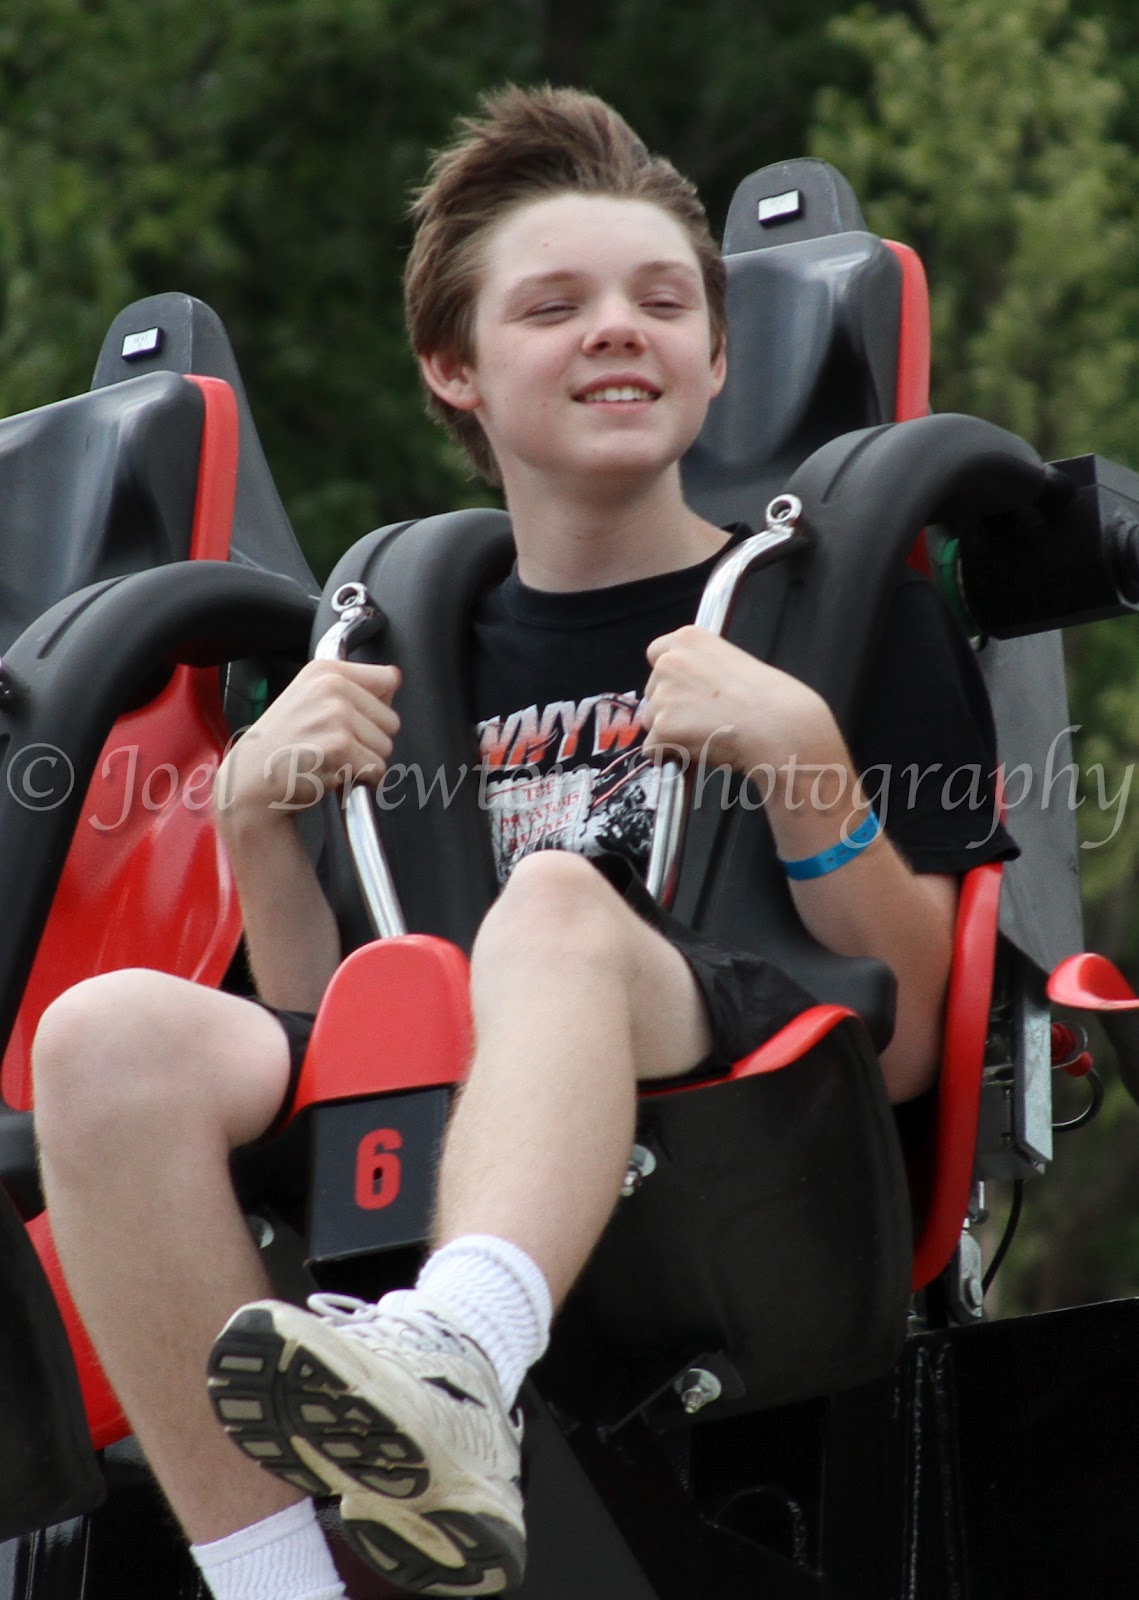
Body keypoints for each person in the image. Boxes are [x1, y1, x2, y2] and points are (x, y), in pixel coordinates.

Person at [32, 85, 1016, 1600]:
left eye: (662, 300)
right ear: (456, 367)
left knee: (554, 901)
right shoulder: (401, 652)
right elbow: (339, 1019)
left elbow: (912, 1039)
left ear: (717, 353)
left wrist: (808, 765)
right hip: (444, 1128)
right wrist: (257, 831)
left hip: (760, 1130)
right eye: (554, 306)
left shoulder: (844, 613)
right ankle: (276, 1578)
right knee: (104, 1040)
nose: (618, 328)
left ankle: (457, 1356)